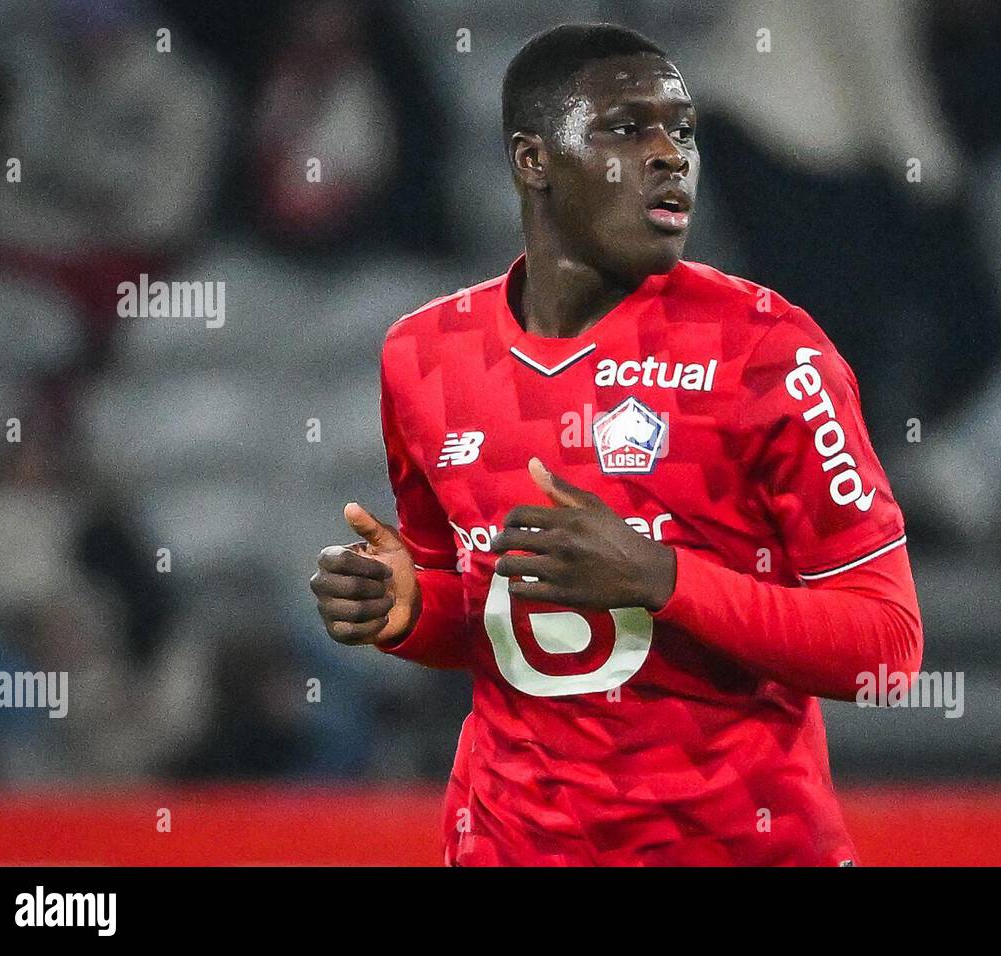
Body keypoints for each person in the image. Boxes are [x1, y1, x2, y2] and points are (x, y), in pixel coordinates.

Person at [309, 23, 923, 866]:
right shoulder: (425, 358)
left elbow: (887, 649)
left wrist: (663, 580)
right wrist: (407, 611)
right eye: (628, 129)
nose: (671, 155)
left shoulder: (766, 351)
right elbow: (487, 612)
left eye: (683, 130)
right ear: (533, 160)